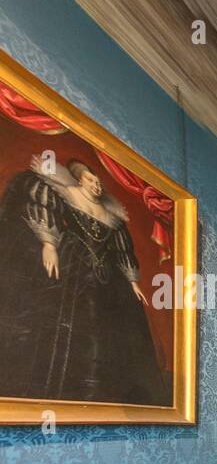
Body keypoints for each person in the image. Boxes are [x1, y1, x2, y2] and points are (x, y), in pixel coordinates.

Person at [0, 156, 167, 405]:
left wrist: (132, 282)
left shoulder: (111, 216)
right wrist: (49, 244)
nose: (97, 184)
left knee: (105, 326)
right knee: (69, 322)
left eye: (98, 181)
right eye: (91, 179)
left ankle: (100, 388)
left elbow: (121, 249)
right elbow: (45, 208)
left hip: (106, 275)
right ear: (80, 179)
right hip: (73, 265)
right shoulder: (66, 193)